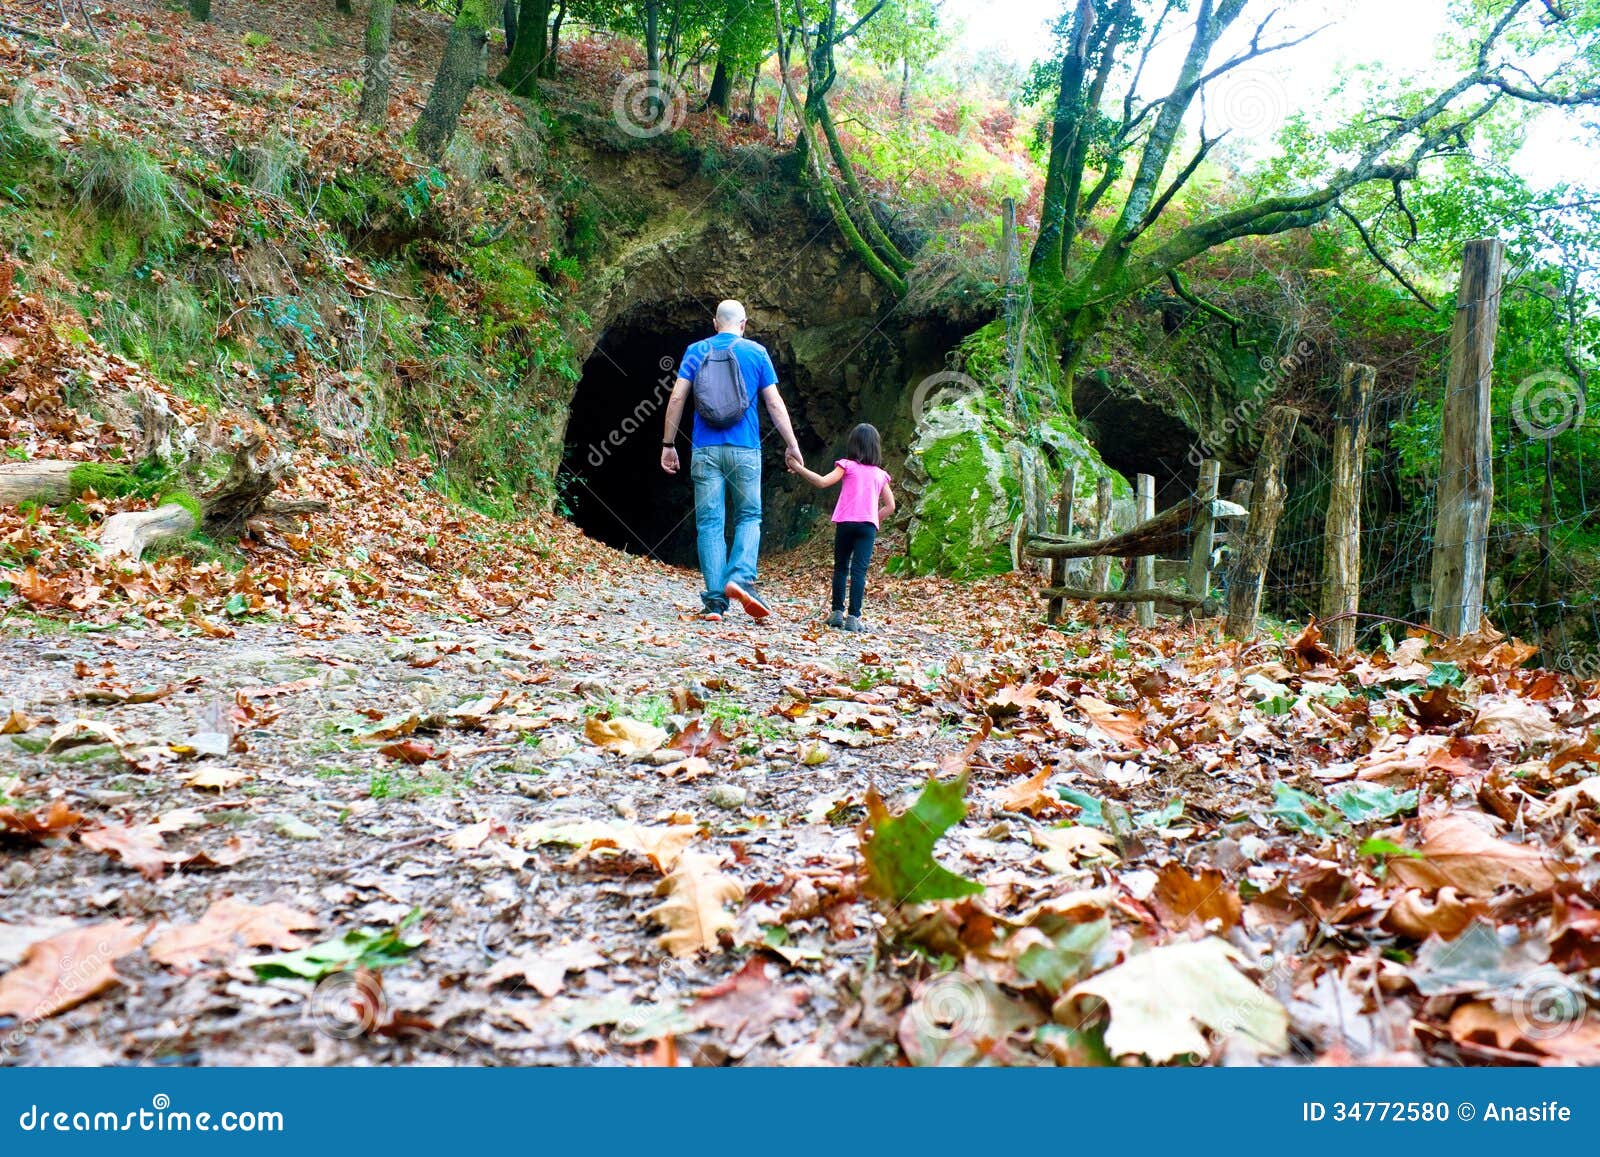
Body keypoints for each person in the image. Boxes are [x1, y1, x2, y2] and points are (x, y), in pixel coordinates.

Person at [660, 300, 804, 622]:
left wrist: (669, 444)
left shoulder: (695, 351)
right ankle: (739, 577)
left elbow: (678, 397)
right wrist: (792, 444)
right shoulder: (756, 353)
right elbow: (775, 404)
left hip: (705, 450)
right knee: (749, 516)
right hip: (745, 450)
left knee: (710, 523)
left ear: (715, 323)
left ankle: (714, 603)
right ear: (743, 324)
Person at [788, 423, 894, 632]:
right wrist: (874, 518)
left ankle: (837, 613)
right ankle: (854, 617)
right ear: (876, 447)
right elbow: (891, 506)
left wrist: (798, 468)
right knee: (859, 572)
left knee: (840, 568)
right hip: (867, 526)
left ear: (853, 445)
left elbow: (821, 482)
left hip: (846, 523)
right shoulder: (880, 474)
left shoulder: (846, 466)